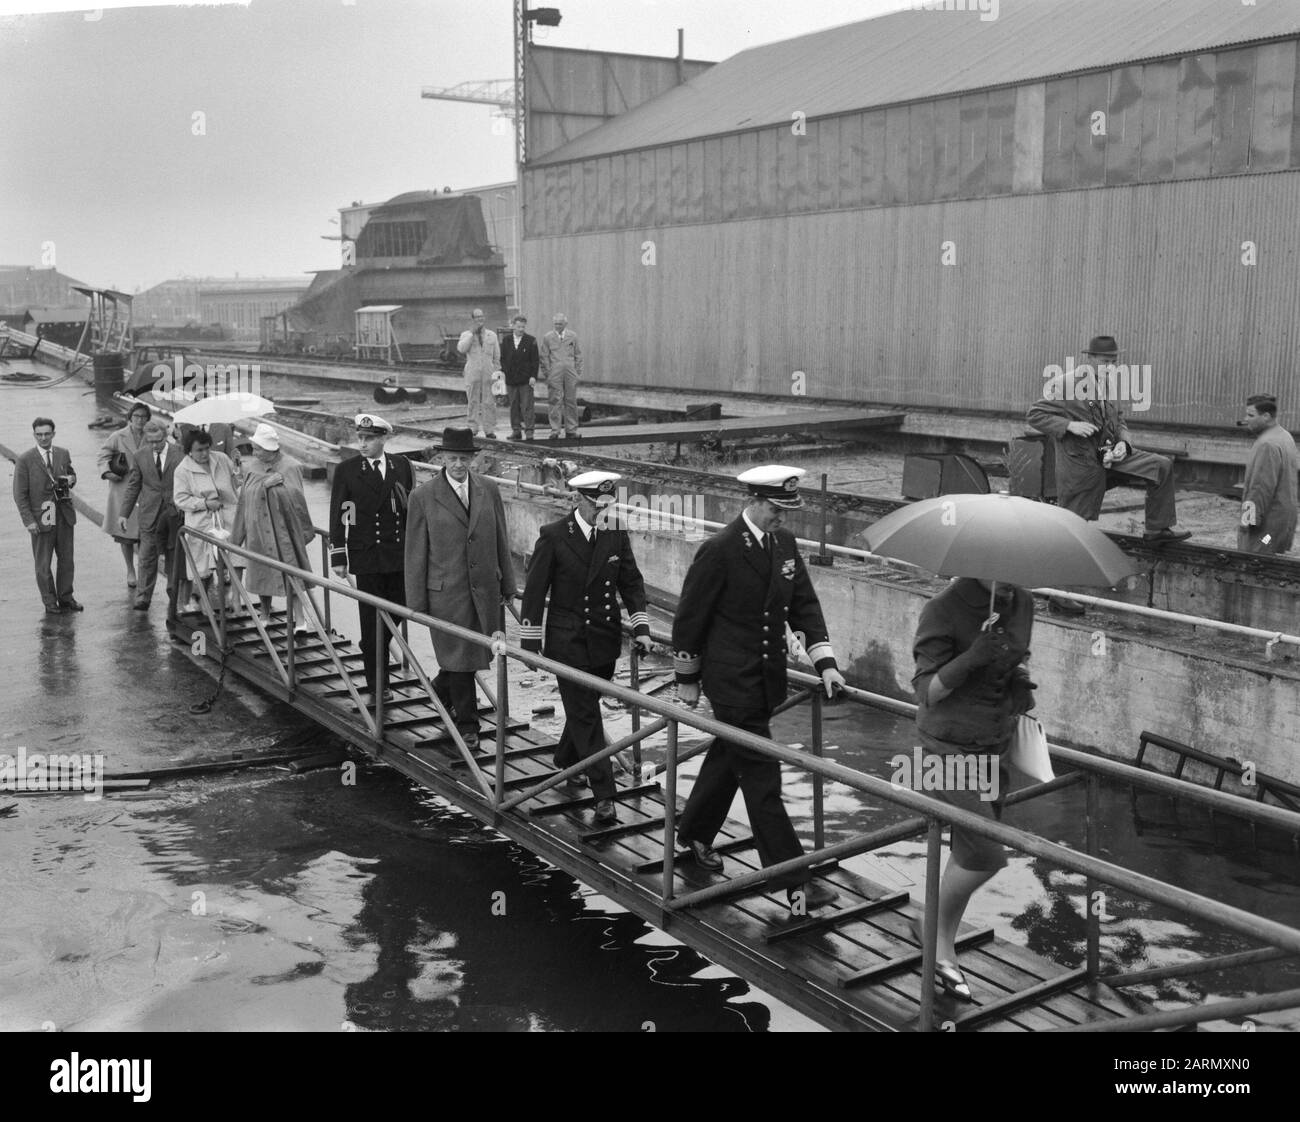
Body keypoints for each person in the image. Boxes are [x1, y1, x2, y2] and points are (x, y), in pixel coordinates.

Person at [672, 465, 846, 915]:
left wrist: (825, 663)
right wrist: (688, 679)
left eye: (785, 511)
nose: (780, 519)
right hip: (730, 683)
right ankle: (794, 882)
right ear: (752, 501)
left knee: (731, 758)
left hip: (765, 679)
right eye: (774, 509)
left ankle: (692, 830)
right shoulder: (720, 550)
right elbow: (690, 618)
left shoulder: (784, 545)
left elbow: (804, 606)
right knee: (763, 778)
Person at [911, 577, 1035, 1002]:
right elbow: (928, 692)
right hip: (946, 749)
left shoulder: (1022, 600)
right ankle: (932, 933)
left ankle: (942, 949)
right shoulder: (943, 608)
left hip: (994, 744)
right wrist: (974, 656)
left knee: (967, 852)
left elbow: (1012, 661)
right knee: (985, 856)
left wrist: (1018, 682)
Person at [520, 471, 653, 824]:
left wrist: (640, 626)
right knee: (586, 716)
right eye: (598, 505)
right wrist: (530, 643)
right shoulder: (553, 537)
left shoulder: (615, 532)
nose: (604, 512)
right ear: (577, 500)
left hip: (604, 642)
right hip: (568, 643)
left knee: (585, 708)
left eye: (608, 505)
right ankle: (605, 794)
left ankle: (566, 759)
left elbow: (631, 581)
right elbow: (534, 592)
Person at [1027, 334, 1189, 615]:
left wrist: (1124, 443)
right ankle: (1058, 595)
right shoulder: (1065, 383)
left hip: (1111, 457)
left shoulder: (1108, 385)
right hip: (1081, 467)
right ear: (1088, 359)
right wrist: (1069, 426)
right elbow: (1035, 415)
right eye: (1105, 361)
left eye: (1114, 361)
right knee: (1072, 530)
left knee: (1160, 466)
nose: (1111, 366)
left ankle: (1156, 528)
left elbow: (1121, 420)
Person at [405, 427, 516, 750]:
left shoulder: (489, 489)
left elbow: (500, 539)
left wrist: (507, 583)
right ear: (441, 458)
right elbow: (415, 553)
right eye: (452, 458)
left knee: (465, 658)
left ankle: (438, 693)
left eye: (464, 459)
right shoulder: (423, 497)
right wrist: (416, 603)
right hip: (446, 594)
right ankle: (468, 726)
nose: (458, 465)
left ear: (472, 459)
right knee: (461, 661)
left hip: (484, 590)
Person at [329, 413, 414, 700]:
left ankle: (371, 645)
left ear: (383, 439)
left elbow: (410, 512)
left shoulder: (401, 466)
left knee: (401, 607)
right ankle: (379, 686)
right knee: (370, 617)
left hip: (398, 555)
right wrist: (338, 556)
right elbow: (340, 515)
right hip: (367, 556)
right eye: (360, 438)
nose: (362, 444)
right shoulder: (348, 471)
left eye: (369, 439)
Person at [237, 423, 314, 618]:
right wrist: (264, 486)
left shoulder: (291, 466)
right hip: (259, 530)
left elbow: (297, 499)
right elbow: (245, 499)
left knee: (292, 572)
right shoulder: (251, 468)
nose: (254, 454)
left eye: (257, 450)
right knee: (263, 573)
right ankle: (265, 613)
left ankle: (299, 618)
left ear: (269, 450)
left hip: (283, 530)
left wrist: (302, 532)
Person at [13, 416, 79, 615]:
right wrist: (29, 521)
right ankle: (49, 601)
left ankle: (66, 597)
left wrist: (71, 478)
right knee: (43, 562)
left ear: (53, 434)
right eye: (39, 434)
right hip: (42, 515)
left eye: (47, 434)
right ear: (34, 435)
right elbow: (19, 494)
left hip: (63, 514)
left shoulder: (63, 453)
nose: (43, 438)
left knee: (67, 560)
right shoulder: (25, 459)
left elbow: (71, 474)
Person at [119, 419, 184, 613]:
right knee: (146, 556)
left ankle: (175, 597)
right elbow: (133, 485)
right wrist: (124, 513)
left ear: (166, 436)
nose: (155, 445)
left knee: (174, 554)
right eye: (151, 441)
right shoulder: (140, 456)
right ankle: (143, 597)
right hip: (149, 512)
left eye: (158, 441)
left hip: (174, 512)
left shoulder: (180, 453)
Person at [173, 428, 240, 615]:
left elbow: (236, 484)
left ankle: (229, 599)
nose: (204, 454)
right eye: (199, 450)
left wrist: (238, 468)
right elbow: (180, 499)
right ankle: (199, 601)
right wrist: (204, 503)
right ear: (189, 451)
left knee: (229, 560)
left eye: (206, 449)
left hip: (226, 518)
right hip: (201, 521)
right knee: (202, 565)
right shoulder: (182, 470)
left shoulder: (221, 459)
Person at [1238, 394, 1298, 555]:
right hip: (1283, 522)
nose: (1246, 419)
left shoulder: (1267, 444)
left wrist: (1247, 522)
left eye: (1251, 415)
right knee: (1273, 562)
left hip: (1267, 529)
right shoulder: (1284, 436)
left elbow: (1260, 488)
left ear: (1266, 416)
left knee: (1255, 559)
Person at [98, 401, 150, 588]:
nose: (140, 420)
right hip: (123, 489)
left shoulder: (151, 436)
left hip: (146, 489)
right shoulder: (117, 436)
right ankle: (130, 570)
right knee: (126, 535)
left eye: (144, 417)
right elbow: (103, 456)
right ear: (130, 418)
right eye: (136, 416)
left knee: (146, 534)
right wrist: (107, 472)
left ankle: (143, 570)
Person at [457, 308, 500, 440]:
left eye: (481, 316)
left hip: (488, 372)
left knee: (489, 402)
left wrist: (497, 373)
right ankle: (472, 428)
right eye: (477, 317)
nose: (480, 319)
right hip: (473, 372)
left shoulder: (491, 335)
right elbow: (461, 349)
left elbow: (497, 356)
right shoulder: (466, 334)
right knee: (473, 400)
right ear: (473, 319)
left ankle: (489, 429)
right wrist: (472, 334)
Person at [539, 312, 582, 441]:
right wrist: (548, 373)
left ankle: (571, 430)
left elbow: (578, 355)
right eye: (556, 324)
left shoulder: (573, 336)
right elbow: (544, 356)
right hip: (555, 373)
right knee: (554, 401)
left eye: (560, 324)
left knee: (571, 401)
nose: (557, 326)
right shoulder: (548, 337)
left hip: (570, 373)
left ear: (565, 324)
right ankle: (555, 430)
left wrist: (577, 372)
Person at [500, 315, 539, 441]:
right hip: (511, 380)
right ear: (513, 326)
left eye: (523, 327)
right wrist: (505, 373)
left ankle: (529, 431)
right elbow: (503, 359)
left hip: (526, 380)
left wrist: (533, 376)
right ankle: (516, 430)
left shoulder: (531, 340)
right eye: (518, 326)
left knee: (527, 406)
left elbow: (535, 360)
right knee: (514, 405)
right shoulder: (506, 341)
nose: (521, 329)